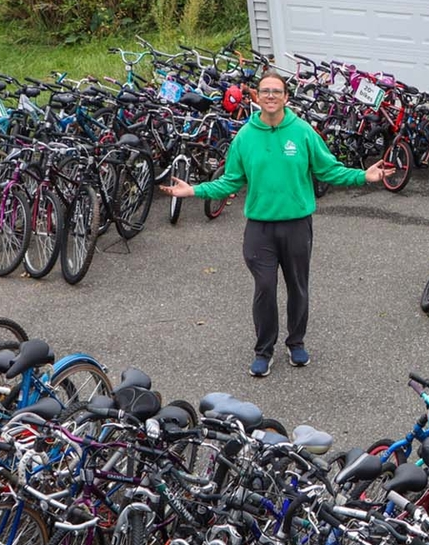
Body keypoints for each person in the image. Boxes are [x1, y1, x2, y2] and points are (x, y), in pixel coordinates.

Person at [160, 70, 395, 377]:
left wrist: (363, 176)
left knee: (298, 287)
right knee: (265, 287)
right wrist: (193, 190)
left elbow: (329, 170)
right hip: (260, 229)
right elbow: (230, 181)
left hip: (297, 225)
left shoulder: (303, 132)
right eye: (265, 91)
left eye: (277, 91)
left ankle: (296, 343)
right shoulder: (245, 137)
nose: (270, 96)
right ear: (256, 98)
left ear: (286, 97)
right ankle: (263, 350)